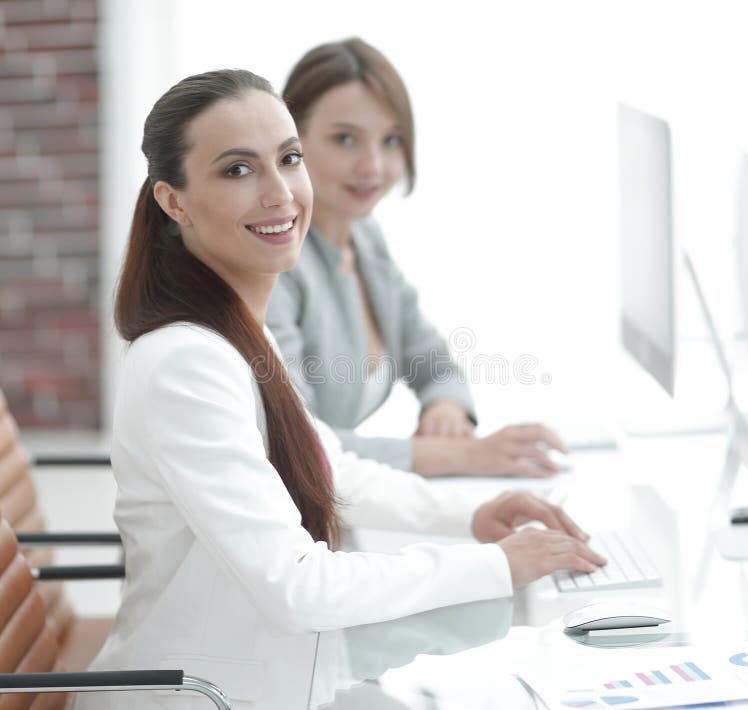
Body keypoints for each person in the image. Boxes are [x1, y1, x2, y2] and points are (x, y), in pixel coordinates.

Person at [75, 69, 604, 709]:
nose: (281, 193)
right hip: (205, 694)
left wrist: (468, 519)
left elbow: (329, 468)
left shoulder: (234, 331)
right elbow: (301, 588)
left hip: (267, 666)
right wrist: (498, 563)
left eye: (288, 160)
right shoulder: (185, 363)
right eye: (237, 171)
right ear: (173, 201)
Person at [266, 38, 566, 477]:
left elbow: (434, 362)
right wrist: (461, 456)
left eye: (391, 140)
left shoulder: (364, 237)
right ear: (292, 141)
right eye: (345, 139)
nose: (373, 166)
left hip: (340, 512)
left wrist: (447, 406)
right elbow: (300, 445)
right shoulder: (274, 266)